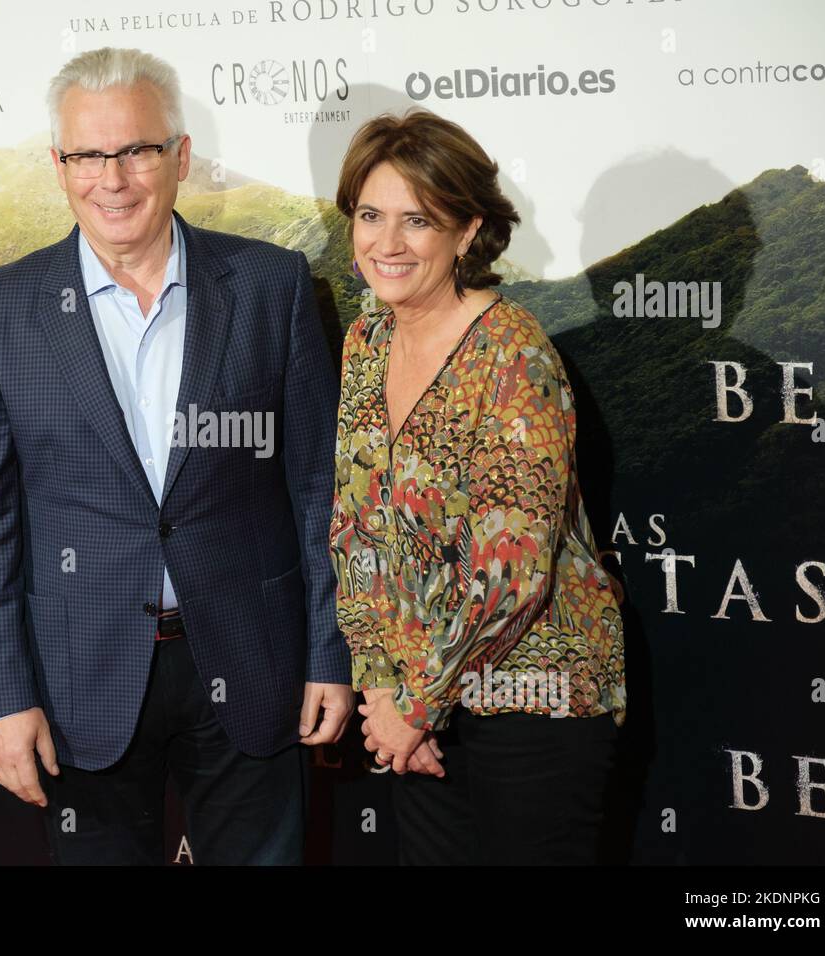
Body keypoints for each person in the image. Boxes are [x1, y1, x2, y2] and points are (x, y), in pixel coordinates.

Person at [0, 46, 352, 865]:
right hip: (78, 679)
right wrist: (0, 697)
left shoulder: (271, 286)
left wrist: (328, 652)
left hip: (250, 655)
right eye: (89, 155)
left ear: (181, 157)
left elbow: (318, 489)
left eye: (136, 150)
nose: (114, 178)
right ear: (58, 166)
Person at [329, 108, 627, 864]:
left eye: (416, 220)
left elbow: (512, 570)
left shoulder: (510, 350)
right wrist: (382, 690)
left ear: (467, 232)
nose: (386, 243)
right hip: (419, 703)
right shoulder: (366, 340)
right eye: (370, 215)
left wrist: (415, 706)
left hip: (533, 699)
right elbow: (357, 529)